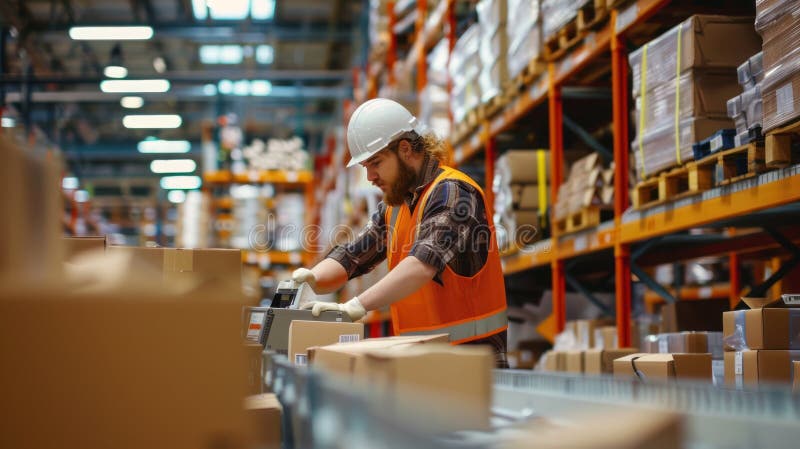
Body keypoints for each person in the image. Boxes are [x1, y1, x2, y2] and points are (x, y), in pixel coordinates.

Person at [296, 98, 508, 366]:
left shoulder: (454, 193)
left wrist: (355, 306)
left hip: (471, 366)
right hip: (423, 366)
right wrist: (309, 279)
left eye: (376, 163)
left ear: (405, 149)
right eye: (366, 168)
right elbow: (354, 257)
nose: (370, 176)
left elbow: (422, 264)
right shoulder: (395, 207)